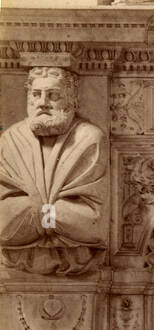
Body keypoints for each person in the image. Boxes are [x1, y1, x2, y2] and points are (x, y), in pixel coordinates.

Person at [0, 67, 107, 276]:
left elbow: (94, 223)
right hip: (17, 263)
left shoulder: (90, 138)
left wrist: (33, 211)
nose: (42, 102)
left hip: (81, 258)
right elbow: (4, 225)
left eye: (53, 95)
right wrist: (56, 214)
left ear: (71, 98)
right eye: (36, 94)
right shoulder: (10, 140)